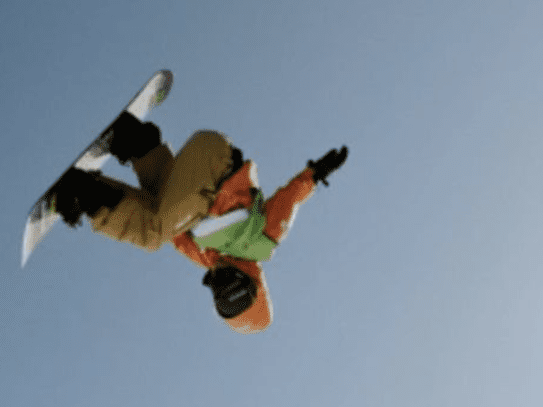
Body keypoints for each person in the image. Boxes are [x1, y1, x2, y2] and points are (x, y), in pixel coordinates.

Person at [51, 111, 348, 334]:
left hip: (197, 175)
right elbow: (290, 198)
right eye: (233, 296)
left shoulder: (205, 257)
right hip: (215, 164)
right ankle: (83, 192)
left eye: (221, 300)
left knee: (160, 217)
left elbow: (164, 224)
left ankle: (136, 141)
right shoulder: (263, 241)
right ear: (251, 286)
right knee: (153, 233)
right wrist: (317, 173)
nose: (222, 289)